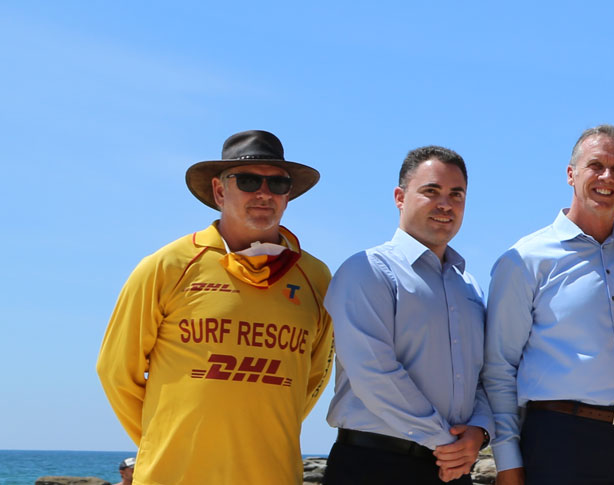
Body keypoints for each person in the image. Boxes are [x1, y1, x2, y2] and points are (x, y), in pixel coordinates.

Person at [97, 130, 334, 484]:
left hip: (272, 473)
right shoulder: (167, 266)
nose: (264, 193)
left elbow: (314, 378)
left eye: (278, 184)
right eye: (249, 181)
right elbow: (116, 372)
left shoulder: (316, 278)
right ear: (220, 191)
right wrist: (161, 442)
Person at [483, 126, 614, 485]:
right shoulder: (524, 260)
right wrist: (507, 461)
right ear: (571, 174)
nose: (607, 177)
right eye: (596, 165)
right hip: (559, 442)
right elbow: (498, 368)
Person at [324, 146, 490, 484]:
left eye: (456, 194)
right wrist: (447, 443)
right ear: (400, 197)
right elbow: (374, 373)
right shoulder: (367, 270)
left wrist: (480, 432)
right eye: (431, 191)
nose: (446, 204)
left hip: (452, 468)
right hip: (374, 466)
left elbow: (483, 375)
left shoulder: (470, 287)